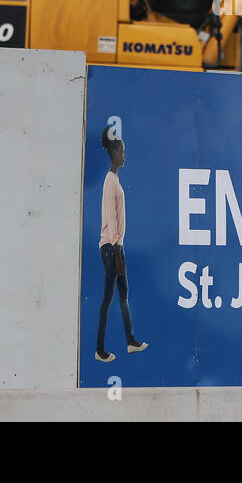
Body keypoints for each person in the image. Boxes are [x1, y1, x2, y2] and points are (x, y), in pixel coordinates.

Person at [96, 128, 147, 363]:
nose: (125, 156)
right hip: (111, 248)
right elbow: (111, 218)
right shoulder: (109, 181)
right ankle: (100, 349)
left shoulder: (115, 180)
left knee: (123, 294)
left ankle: (130, 341)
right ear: (115, 153)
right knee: (109, 297)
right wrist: (116, 251)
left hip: (118, 247)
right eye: (123, 152)